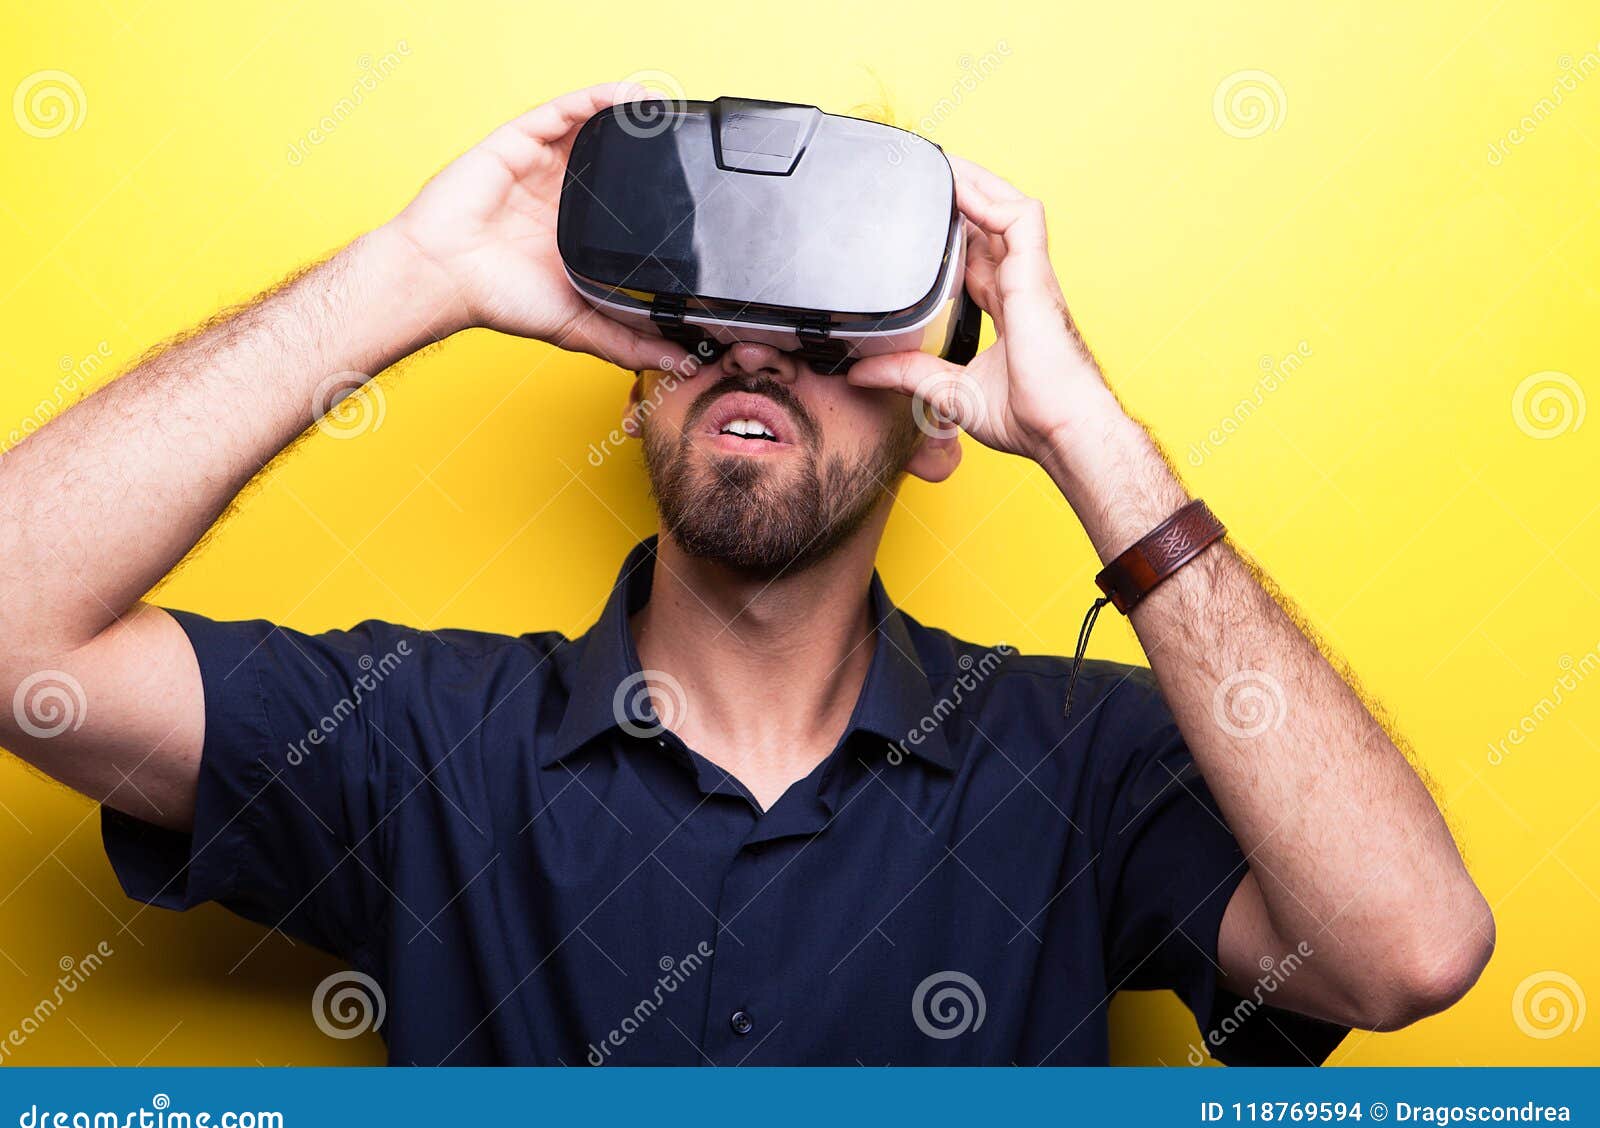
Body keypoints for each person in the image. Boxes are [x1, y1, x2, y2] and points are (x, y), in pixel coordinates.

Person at [0, 83, 1493, 1065]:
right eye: (712, 307)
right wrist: (414, 275)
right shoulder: (416, 738)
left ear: (938, 424)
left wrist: (1090, 434)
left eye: (835, 316)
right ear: (635, 382)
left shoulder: (1077, 765)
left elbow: (1409, 949)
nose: (761, 342)